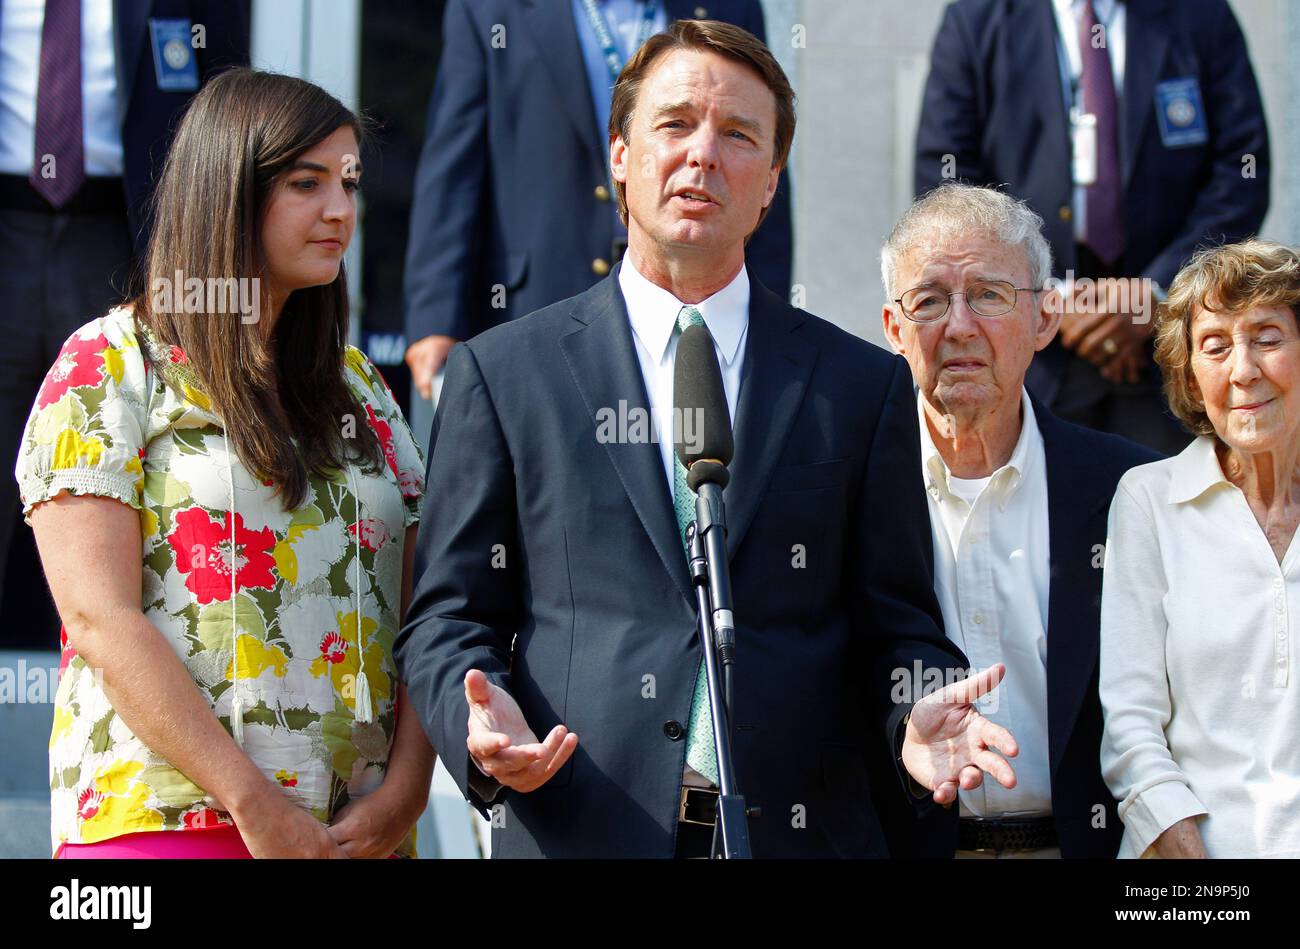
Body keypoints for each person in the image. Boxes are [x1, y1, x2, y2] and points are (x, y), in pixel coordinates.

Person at [396, 19, 1019, 860]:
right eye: (675, 124)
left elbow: (898, 625)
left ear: (770, 183)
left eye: (737, 135)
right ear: (619, 155)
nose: (703, 154)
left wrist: (915, 709)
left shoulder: (859, 387)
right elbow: (446, 615)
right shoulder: (505, 375)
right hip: (582, 823)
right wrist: (476, 714)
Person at [16, 68, 434, 858]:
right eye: (307, 183)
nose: (340, 210)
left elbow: (427, 615)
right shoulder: (108, 364)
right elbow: (100, 619)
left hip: (357, 833)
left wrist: (406, 794)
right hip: (166, 822)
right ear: (226, 190)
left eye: (348, 182)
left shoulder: (363, 388)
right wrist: (253, 803)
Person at [878, 183, 1158, 859]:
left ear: (1045, 320)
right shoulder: (849, 488)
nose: (960, 325)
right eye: (930, 300)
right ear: (894, 329)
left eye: (991, 295)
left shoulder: (1130, 489)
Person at [0, 0, 249, 649]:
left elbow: (222, 105)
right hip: (9, 225)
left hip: (122, 241)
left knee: (124, 482)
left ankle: (131, 691)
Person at [914, 0, 1269, 455]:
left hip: (1169, 350)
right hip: (1032, 350)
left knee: (1167, 511)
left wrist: (1157, 293)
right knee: (1038, 512)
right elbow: (947, 182)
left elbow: (1242, 173)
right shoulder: (978, 18)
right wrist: (1046, 298)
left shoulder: (1199, 14)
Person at [401, 0, 793, 401]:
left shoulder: (731, 6)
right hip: (538, 292)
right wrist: (436, 315)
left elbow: (759, 149)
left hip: (694, 299)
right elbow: (454, 162)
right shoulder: (490, 9)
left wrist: (773, 318)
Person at [1100, 239, 1300, 859]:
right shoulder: (1150, 500)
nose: (1242, 369)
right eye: (1214, 346)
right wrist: (1183, 850)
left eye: (1267, 337)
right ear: (1190, 374)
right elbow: (1131, 725)